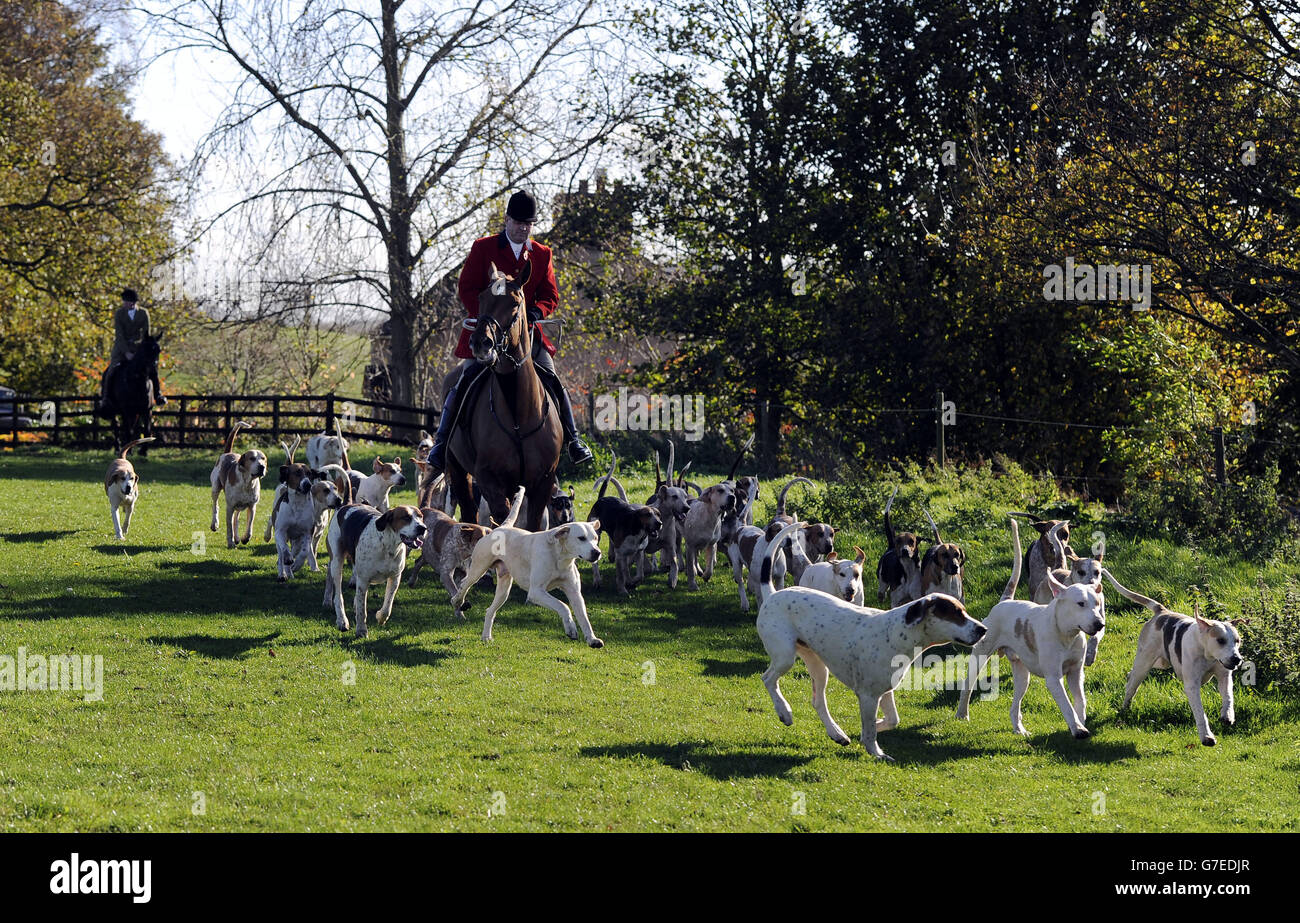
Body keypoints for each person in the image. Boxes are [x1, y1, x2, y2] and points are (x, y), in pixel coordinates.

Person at [428, 190, 593, 471]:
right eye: (518, 222)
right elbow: (466, 287)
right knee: (464, 379)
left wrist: (535, 312)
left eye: (528, 223)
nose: (523, 228)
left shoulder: (542, 254)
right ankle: (442, 443)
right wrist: (486, 317)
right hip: (486, 335)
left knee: (551, 377)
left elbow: (550, 295)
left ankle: (574, 441)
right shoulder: (484, 248)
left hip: (524, 336)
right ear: (507, 220)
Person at [101, 288, 166, 407]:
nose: (124, 304)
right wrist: (126, 352)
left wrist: (140, 349)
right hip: (121, 348)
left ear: (133, 302)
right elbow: (119, 335)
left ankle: (158, 394)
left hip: (138, 348)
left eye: (126, 302)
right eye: (124, 301)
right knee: (110, 371)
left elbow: (146, 333)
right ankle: (106, 398)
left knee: (152, 369)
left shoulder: (143, 313)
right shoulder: (119, 313)